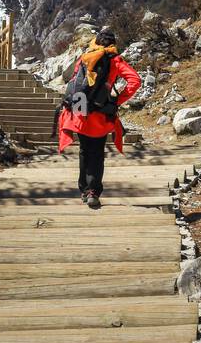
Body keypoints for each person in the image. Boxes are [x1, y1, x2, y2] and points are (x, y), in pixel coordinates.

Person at [53, 27, 142, 209]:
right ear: (113, 44)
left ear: (97, 41)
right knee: (97, 153)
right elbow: (135, 80)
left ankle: (84, 190)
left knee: (84, 151)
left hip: (81, 113)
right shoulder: (115, 60)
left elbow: (73, 83)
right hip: (101, 114)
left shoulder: (85, 57)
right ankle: (94, 190)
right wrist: (118, 100)